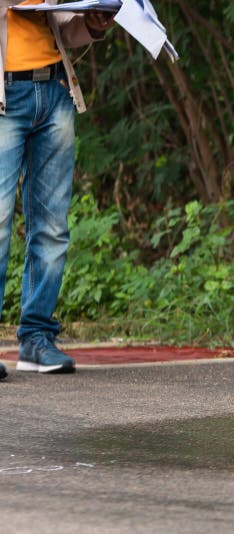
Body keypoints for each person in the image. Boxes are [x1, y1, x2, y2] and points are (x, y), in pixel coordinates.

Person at [0, 2, 113, 377]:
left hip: (54, 89)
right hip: (5, 94)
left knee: (52, 226)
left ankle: (36, 338)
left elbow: (60, 24)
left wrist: (92, 24)